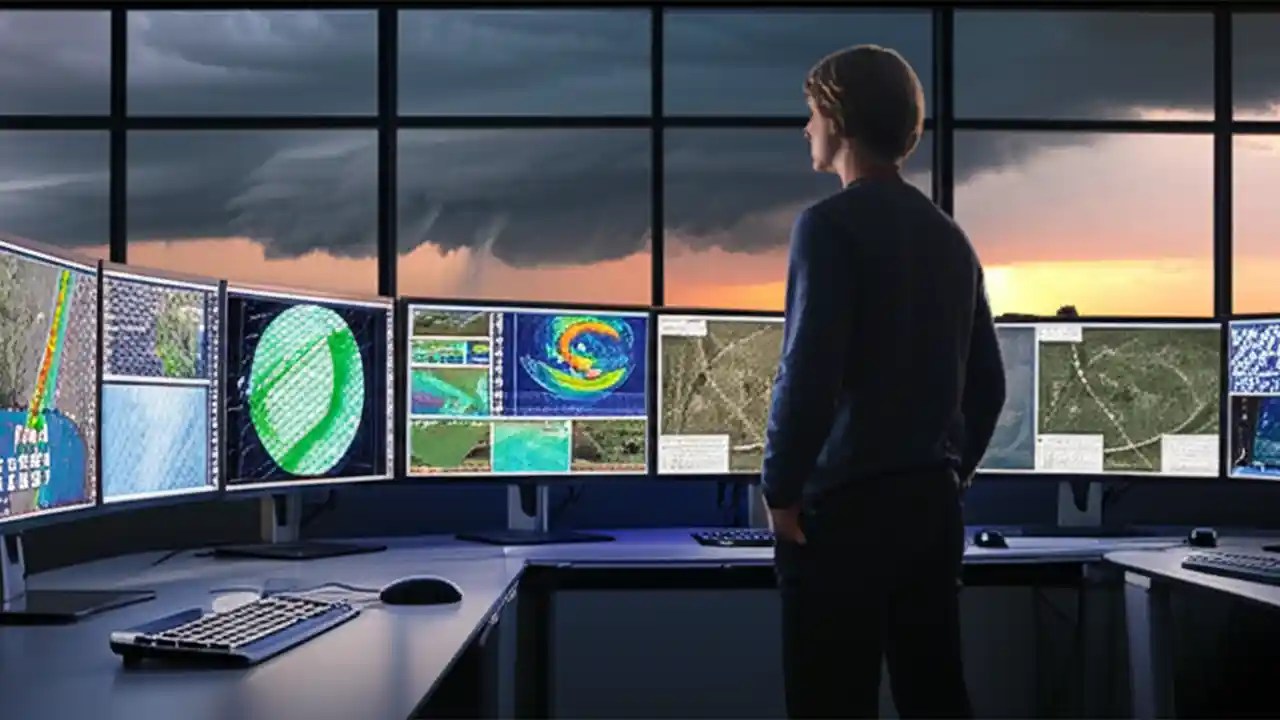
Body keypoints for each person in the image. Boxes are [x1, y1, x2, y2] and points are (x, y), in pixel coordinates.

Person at [762, 44, 1006, 719]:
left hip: (843, 516)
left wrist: (780, 490)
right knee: (934, 696)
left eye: (810, 114)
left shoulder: (827, 227)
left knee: (830, 702)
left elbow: (807, 372)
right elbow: (987, 385)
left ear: (837, 121)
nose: (805, 129)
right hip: (930, 513)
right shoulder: (949, 236)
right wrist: (952, 473)